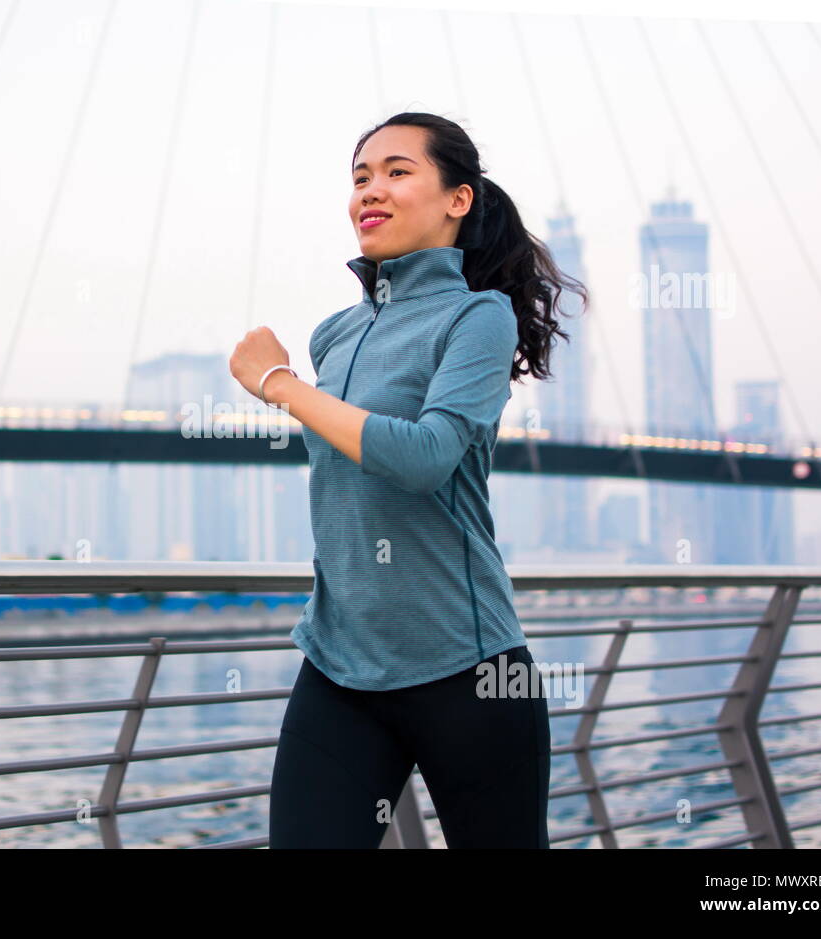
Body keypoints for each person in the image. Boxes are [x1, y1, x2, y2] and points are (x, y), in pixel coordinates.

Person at [229, 112, 587, 848]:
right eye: (360, 177)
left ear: (458, 199)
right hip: (339, 664)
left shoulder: (478, 318)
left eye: (397, 171)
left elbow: (424, 458)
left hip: (471, 670)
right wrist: (293, 381)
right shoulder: (337, 332)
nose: (371, 190)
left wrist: (281, 384)